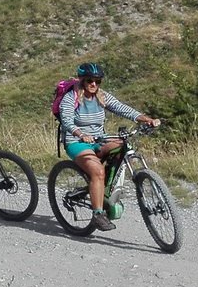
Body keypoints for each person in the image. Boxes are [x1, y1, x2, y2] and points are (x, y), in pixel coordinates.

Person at [57, 63, 160, 231]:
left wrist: (146, 119)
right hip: (76, 142)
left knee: (122, 145)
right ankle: (98, 214)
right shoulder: (70, 98)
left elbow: (122, 108)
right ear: (82, 80)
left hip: (99, 139)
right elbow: (67, 121)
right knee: (98, 171)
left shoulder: (102, 96)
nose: (94, 84)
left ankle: (105, 188)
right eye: (90, 80)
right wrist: (80, 134)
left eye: (98, 81)